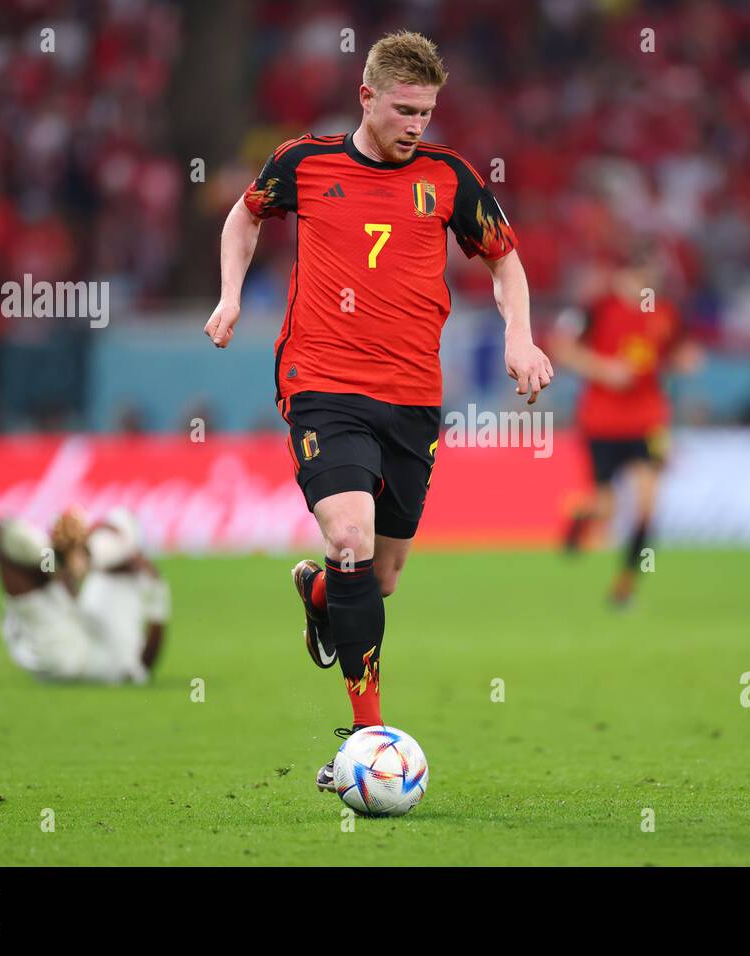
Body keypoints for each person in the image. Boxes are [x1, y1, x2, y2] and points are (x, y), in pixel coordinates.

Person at [203, 31, 552, 793]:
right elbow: (244, 216)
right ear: (367, 97)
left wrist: (520, 336)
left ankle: (319, 592)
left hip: (413, 398)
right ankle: (367, 739)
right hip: (323, 384)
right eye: (403, 110)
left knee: (379, 578)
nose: (416, 125)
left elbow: (505, 260)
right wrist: (230, 296)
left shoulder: (450, 178)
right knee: (350, 536)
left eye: (426, 112)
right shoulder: (304, 162)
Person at [552, 253, 693, 606]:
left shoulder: (665, 313)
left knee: (647, 505)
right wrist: (604, 370)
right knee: (605, 509)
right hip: (602, 422)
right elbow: (561, 348)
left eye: (651, 278)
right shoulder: (598, 309)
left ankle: (625, 585)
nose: (646, 286)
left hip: (648, 421)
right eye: (639, 278)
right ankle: (581, 517)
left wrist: (685, 360)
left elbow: (678, 351)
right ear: (621, 277)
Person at [0, 506, 169, 683]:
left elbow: (4, 530)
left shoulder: (125, 580)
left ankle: (61, 557)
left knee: (34, 565)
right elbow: (143, 665)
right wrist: (72, 555)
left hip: (57, 651)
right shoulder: (124, 578)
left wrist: (62, 555)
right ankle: (63, 557)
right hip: (67, 650)